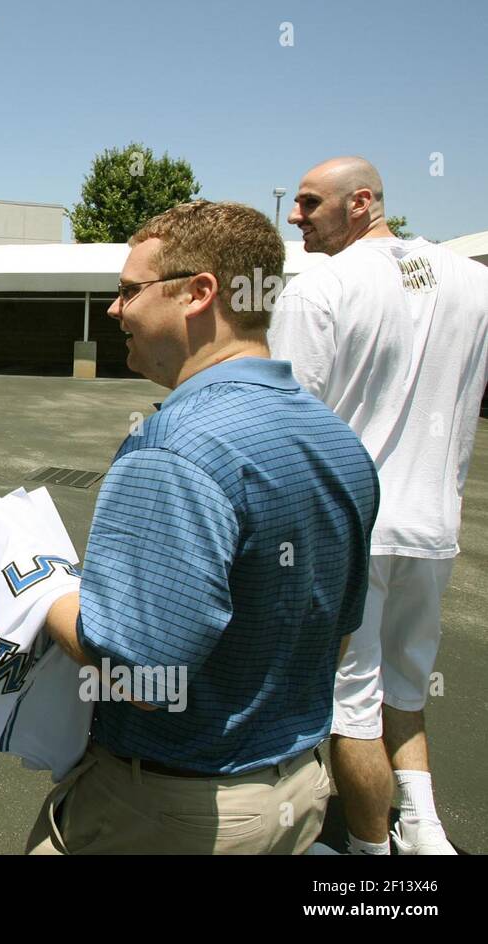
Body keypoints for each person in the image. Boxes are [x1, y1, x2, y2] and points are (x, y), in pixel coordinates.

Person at [30, 200, 378, 854]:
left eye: (129, 291)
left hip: (168, 812)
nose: (114, 309)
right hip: (296, 793)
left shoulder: (171, 449)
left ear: (198, 293)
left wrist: (41, 592)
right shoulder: (337, 440)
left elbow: (141, 672)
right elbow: (337, 634)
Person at [269, 156, 488, 855]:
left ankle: (369, 855)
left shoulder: (320, 288)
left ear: (360, 202)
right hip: (433, 526)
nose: (294, 216)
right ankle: (426, 834)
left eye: (308, 203)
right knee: (407, 687)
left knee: (351, 705)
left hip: (351, 532)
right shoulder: (475, 284)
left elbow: (287, 422)